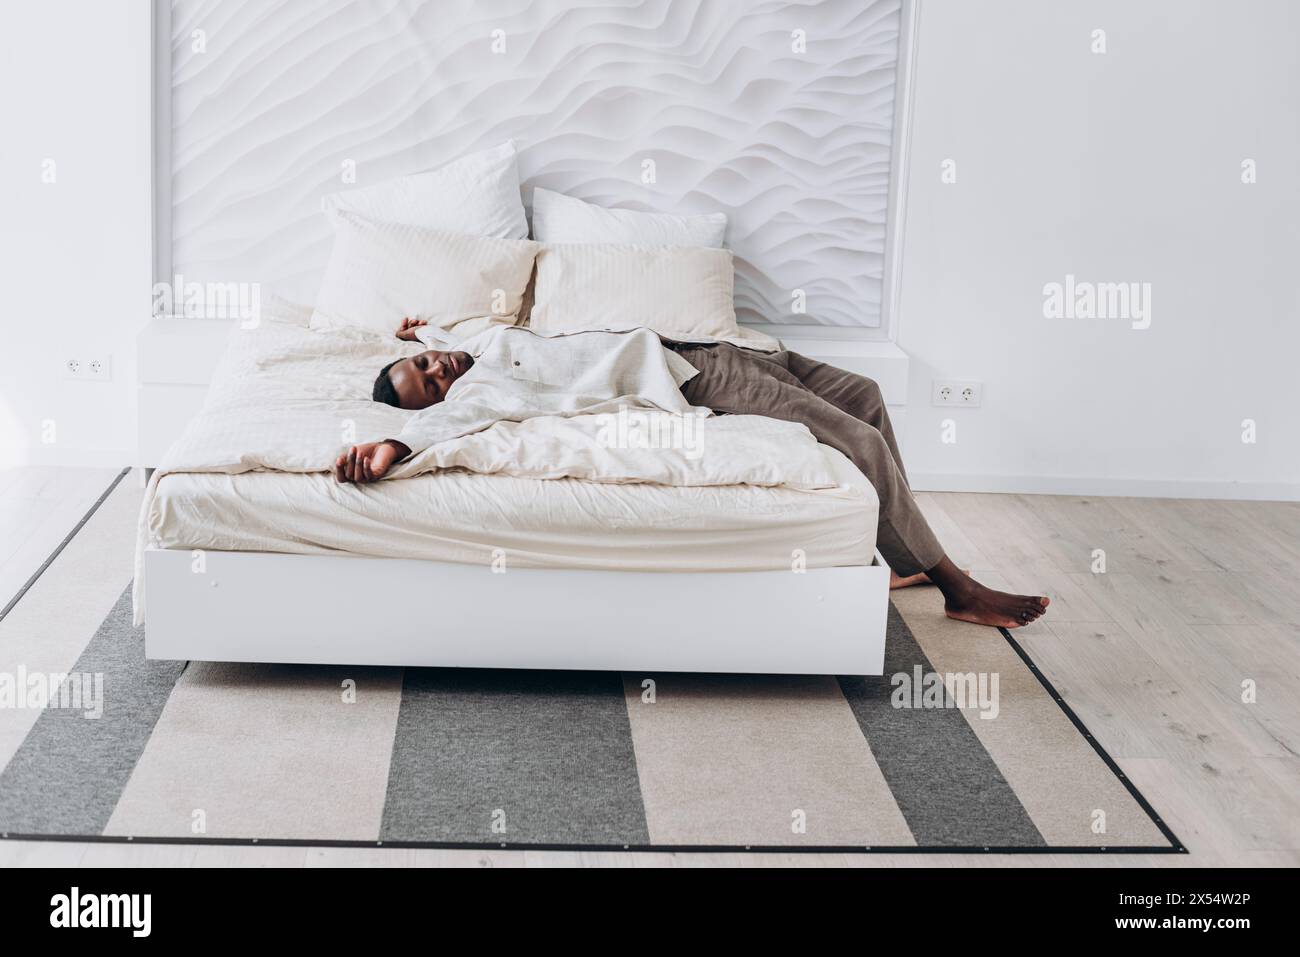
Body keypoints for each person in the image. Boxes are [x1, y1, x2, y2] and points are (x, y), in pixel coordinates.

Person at [334, 318, 1050, 629]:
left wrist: (415, 336)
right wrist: (390, 449)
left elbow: (437, 342)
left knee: (863, 391)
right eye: (427, 377)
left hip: (705, 342)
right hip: (699, 376)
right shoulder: (479, 395)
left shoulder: (474, 346)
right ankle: (959, 586)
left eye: (429, 362)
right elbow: (433, 426)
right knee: (854, 436)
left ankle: (896, 556)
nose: (438, 370)